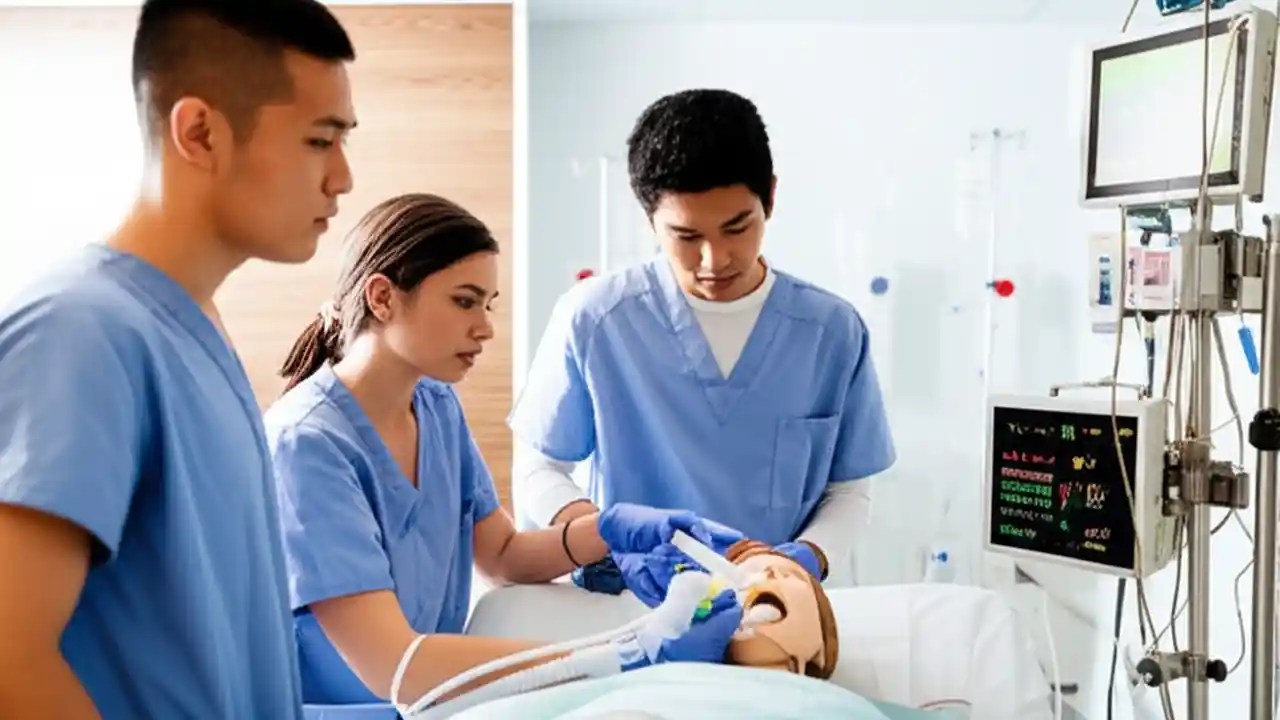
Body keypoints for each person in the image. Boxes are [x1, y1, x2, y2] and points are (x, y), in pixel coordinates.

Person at [0, 1, 357, 718]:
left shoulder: (198, 329)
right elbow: (9, 658)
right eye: (321, 140)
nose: (343, 178)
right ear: (199, 132)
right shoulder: (81, 334)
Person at [265, 193, 745, 715]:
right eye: (465, 301)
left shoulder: (435, 405)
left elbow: (502, 555)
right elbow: (395, 667)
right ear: (382, 298)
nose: (486, 327)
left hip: (440, 701)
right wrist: (625, 653)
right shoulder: (308, 446)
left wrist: (608, 530)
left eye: (488, 304)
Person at [510, 88, 896, 596]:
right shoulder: (595, 319)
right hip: (627, 601)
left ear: (771, 199)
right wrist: (606, 534)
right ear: (650, 219)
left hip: (770, 607)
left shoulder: (831, 332)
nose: (715, 260)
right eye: (686, 236)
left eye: (737, 228)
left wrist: (801, 560)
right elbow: (539, 468)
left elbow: (848, 492)